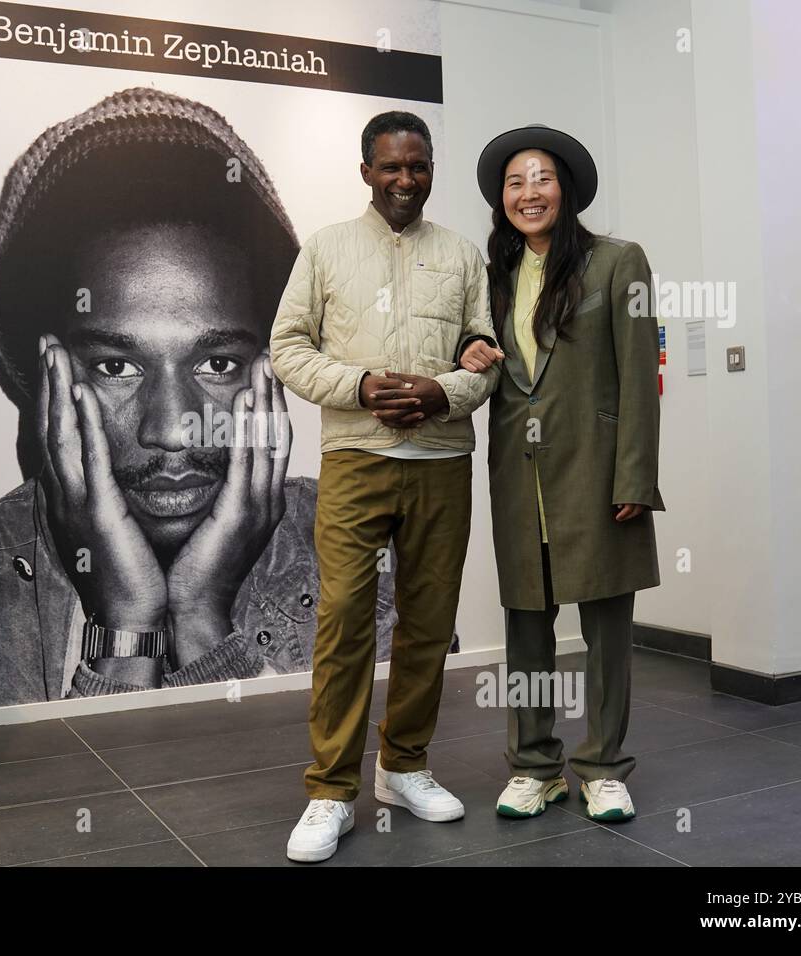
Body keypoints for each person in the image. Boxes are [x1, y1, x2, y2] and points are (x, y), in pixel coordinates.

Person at [0, 88, 402, 708]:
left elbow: (370, 784)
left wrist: (202, 618)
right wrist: (126, 635)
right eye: (116, 366)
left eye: (217, 363)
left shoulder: (358, 546)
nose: (172, 430)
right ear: (49, 377)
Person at [271, 111, 499, 862]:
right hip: (356, 458)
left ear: (431, 169)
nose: (406, 180)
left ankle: (404, 767)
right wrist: (362, 385)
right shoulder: (326, 249)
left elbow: (485, 353)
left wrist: (446, 392)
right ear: (366, 170)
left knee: (429, 622)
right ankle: (330, 790)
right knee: (343, 618)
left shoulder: (464, 255)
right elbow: (287, 349)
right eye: (392, 167)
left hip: (441, 463)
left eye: (419, 166)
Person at [459, 124, 665, 822]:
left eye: (541, 178)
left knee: (607, 627)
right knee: (525, 629)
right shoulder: (495, 275)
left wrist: (635, 475)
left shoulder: (617, 262)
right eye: (515, 183)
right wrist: (469, 350)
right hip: (521, 477)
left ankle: (604, 765)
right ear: (502, 200)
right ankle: (535, 765)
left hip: (597, 473)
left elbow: (640, 377)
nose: (528, 193)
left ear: (566, 188)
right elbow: (486, 352)